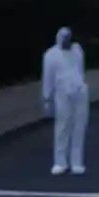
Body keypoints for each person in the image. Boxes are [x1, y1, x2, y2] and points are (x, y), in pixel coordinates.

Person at [41, 26, 89, 176]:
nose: (68, 41)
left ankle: (76, 162)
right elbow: (47, 78)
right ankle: (60, 162)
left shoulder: (77, 51)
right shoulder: (50, 55)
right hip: (62, 93)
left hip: (79, 92)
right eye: (65, 38)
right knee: (63, 126)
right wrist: (47, 97)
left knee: (79, 127)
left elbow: (80, 70)